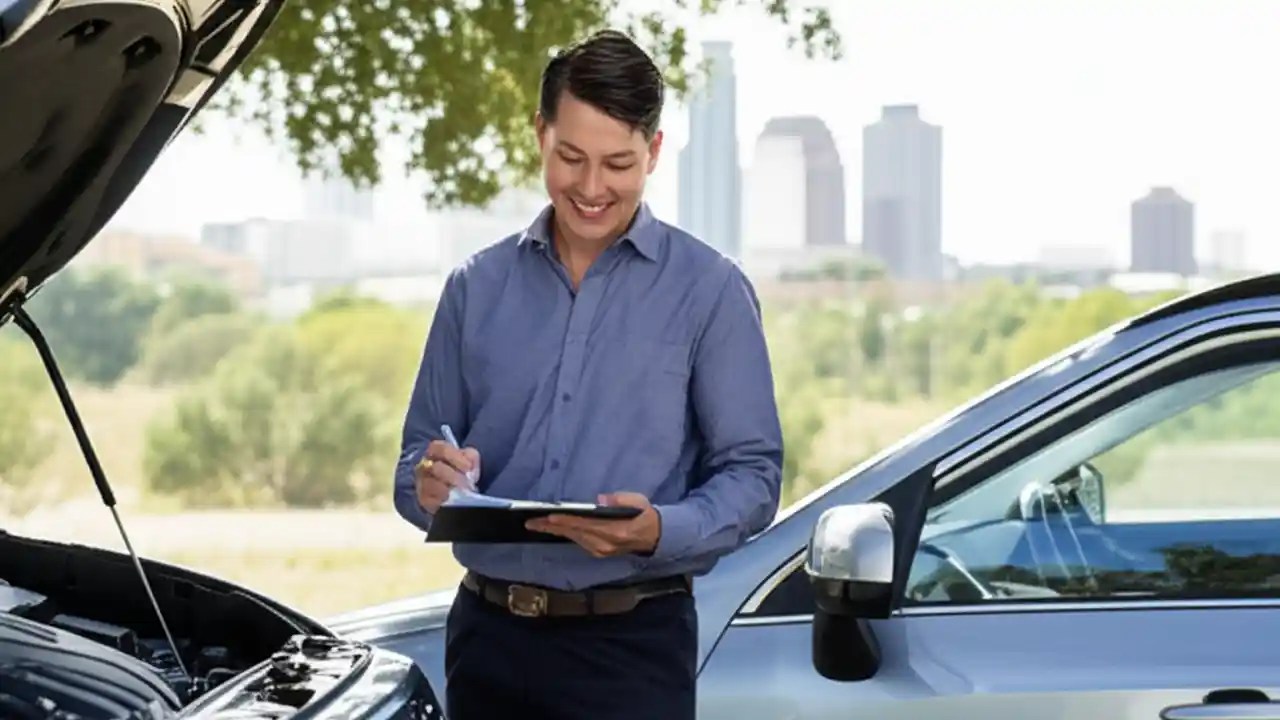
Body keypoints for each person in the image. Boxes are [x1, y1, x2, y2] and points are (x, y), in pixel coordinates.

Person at [392, 29, 783, 720]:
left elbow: (752, 475)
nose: (593, 188)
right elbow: (412, 468)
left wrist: (661, 528)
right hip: (487, 642)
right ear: (540, 133)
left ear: (654, 152)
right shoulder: (474, 288)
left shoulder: (711, 292)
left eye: (619, 164)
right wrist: (430, 484)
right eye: (570, 157)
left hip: (632, 649)